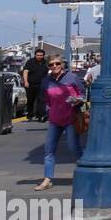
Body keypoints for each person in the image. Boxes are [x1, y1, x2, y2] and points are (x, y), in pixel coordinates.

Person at [35, 56, 85, 191]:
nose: (55, 66)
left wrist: (78, 100)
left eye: (57, 63)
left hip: (71, 117)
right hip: (54, 119)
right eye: (51, 64)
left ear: (62, 64)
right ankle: (47, 179)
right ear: (48, 66)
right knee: (49, 150)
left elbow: (83, 94)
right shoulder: (46, 81)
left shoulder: (72, 78)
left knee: (74, 148)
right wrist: (47, 111)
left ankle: (85, 171)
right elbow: (44, 99)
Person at [22, 47, 48, 123]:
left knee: (41, 100)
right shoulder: (30, 62)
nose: (39, 56)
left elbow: (49, 72)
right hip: (31, 84)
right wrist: (26, 81)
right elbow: (25, 72)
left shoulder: (46, 63)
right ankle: (30, 115)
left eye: (41, 55)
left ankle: (40, 116)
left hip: (42, 85)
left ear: (43, 56)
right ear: (35, 55)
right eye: (38, 55)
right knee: (30, 100)